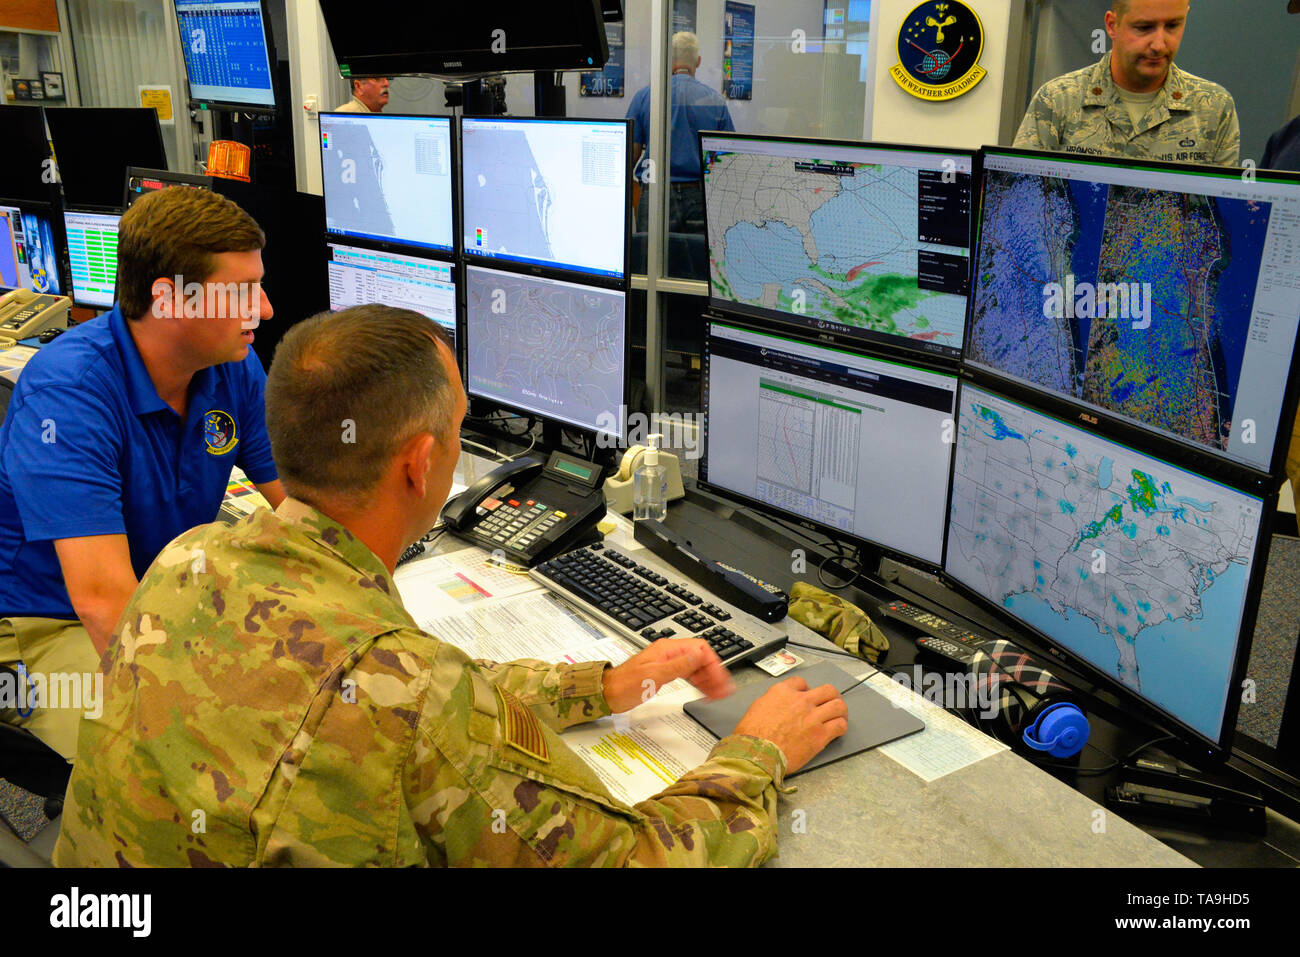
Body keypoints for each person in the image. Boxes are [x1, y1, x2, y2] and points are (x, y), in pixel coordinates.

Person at [53, 306, 849, 867]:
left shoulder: (189, 562)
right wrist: (757, 750)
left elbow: (418, 695)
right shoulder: (409, 694)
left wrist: (598, 685)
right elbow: (637, 856)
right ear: (420, 463)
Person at [0, 187, 285, 759]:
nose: (266, 309)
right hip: (45, 625)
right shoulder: (70, 393)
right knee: (177, 757)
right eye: (243, 293)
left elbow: (293, 501)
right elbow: (103, 603)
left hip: (162, 596)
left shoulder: (231, 365)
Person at [1014, 0, 1240, 167]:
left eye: (1172, 26)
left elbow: (1221, 216)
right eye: (1144, 28)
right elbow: (1021, 201)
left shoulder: (1213, 108)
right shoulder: (1059, 100)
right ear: (1112, 25)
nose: (1159, 45)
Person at [627, 31, 736, 235]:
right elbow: (727, 158)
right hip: (699, 195)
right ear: (699, 61)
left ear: (668, 61)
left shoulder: (645, 97)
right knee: (695, 263)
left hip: (655, 192)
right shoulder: (714, 101)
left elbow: (630, 155)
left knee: (650, 262)